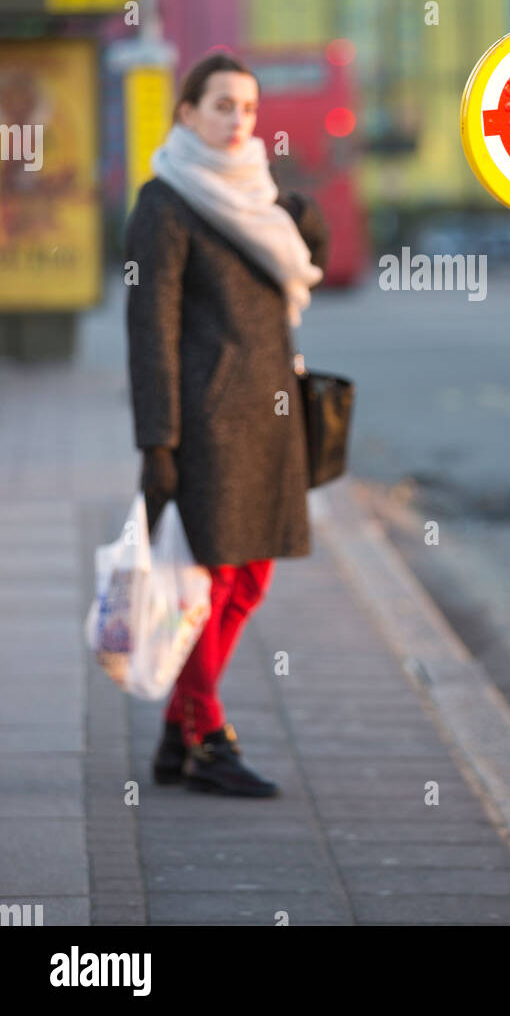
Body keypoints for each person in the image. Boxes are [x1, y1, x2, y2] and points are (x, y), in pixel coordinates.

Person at [124, 51, 330, 798]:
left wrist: (305, 218)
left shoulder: (260, 196)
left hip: (270, 418)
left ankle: (180, 735)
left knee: (250, 581)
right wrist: (158, 443)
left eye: (247, 107)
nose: (238, 119)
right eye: (221, 106)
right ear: (187, 114)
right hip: (208, 424)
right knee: (203, 588)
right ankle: (207, 734)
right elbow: (151, 329)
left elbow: (311, 265)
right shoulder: (165, 202)